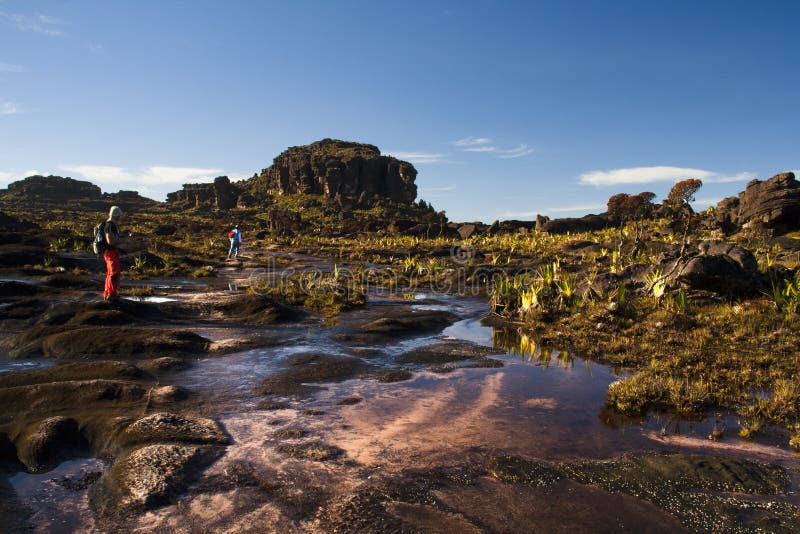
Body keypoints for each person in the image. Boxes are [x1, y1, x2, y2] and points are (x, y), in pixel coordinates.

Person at [103, 206, 126, 300]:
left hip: (111, 252)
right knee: (114, 273)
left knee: (110, 273)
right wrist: (121, 241)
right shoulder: (110, 225)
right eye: (119, 216)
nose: (120, 218)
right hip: (111, 252)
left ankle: (108, 293)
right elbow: (110, 241)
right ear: (116, 216)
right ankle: (111, 294)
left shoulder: (110, 225)